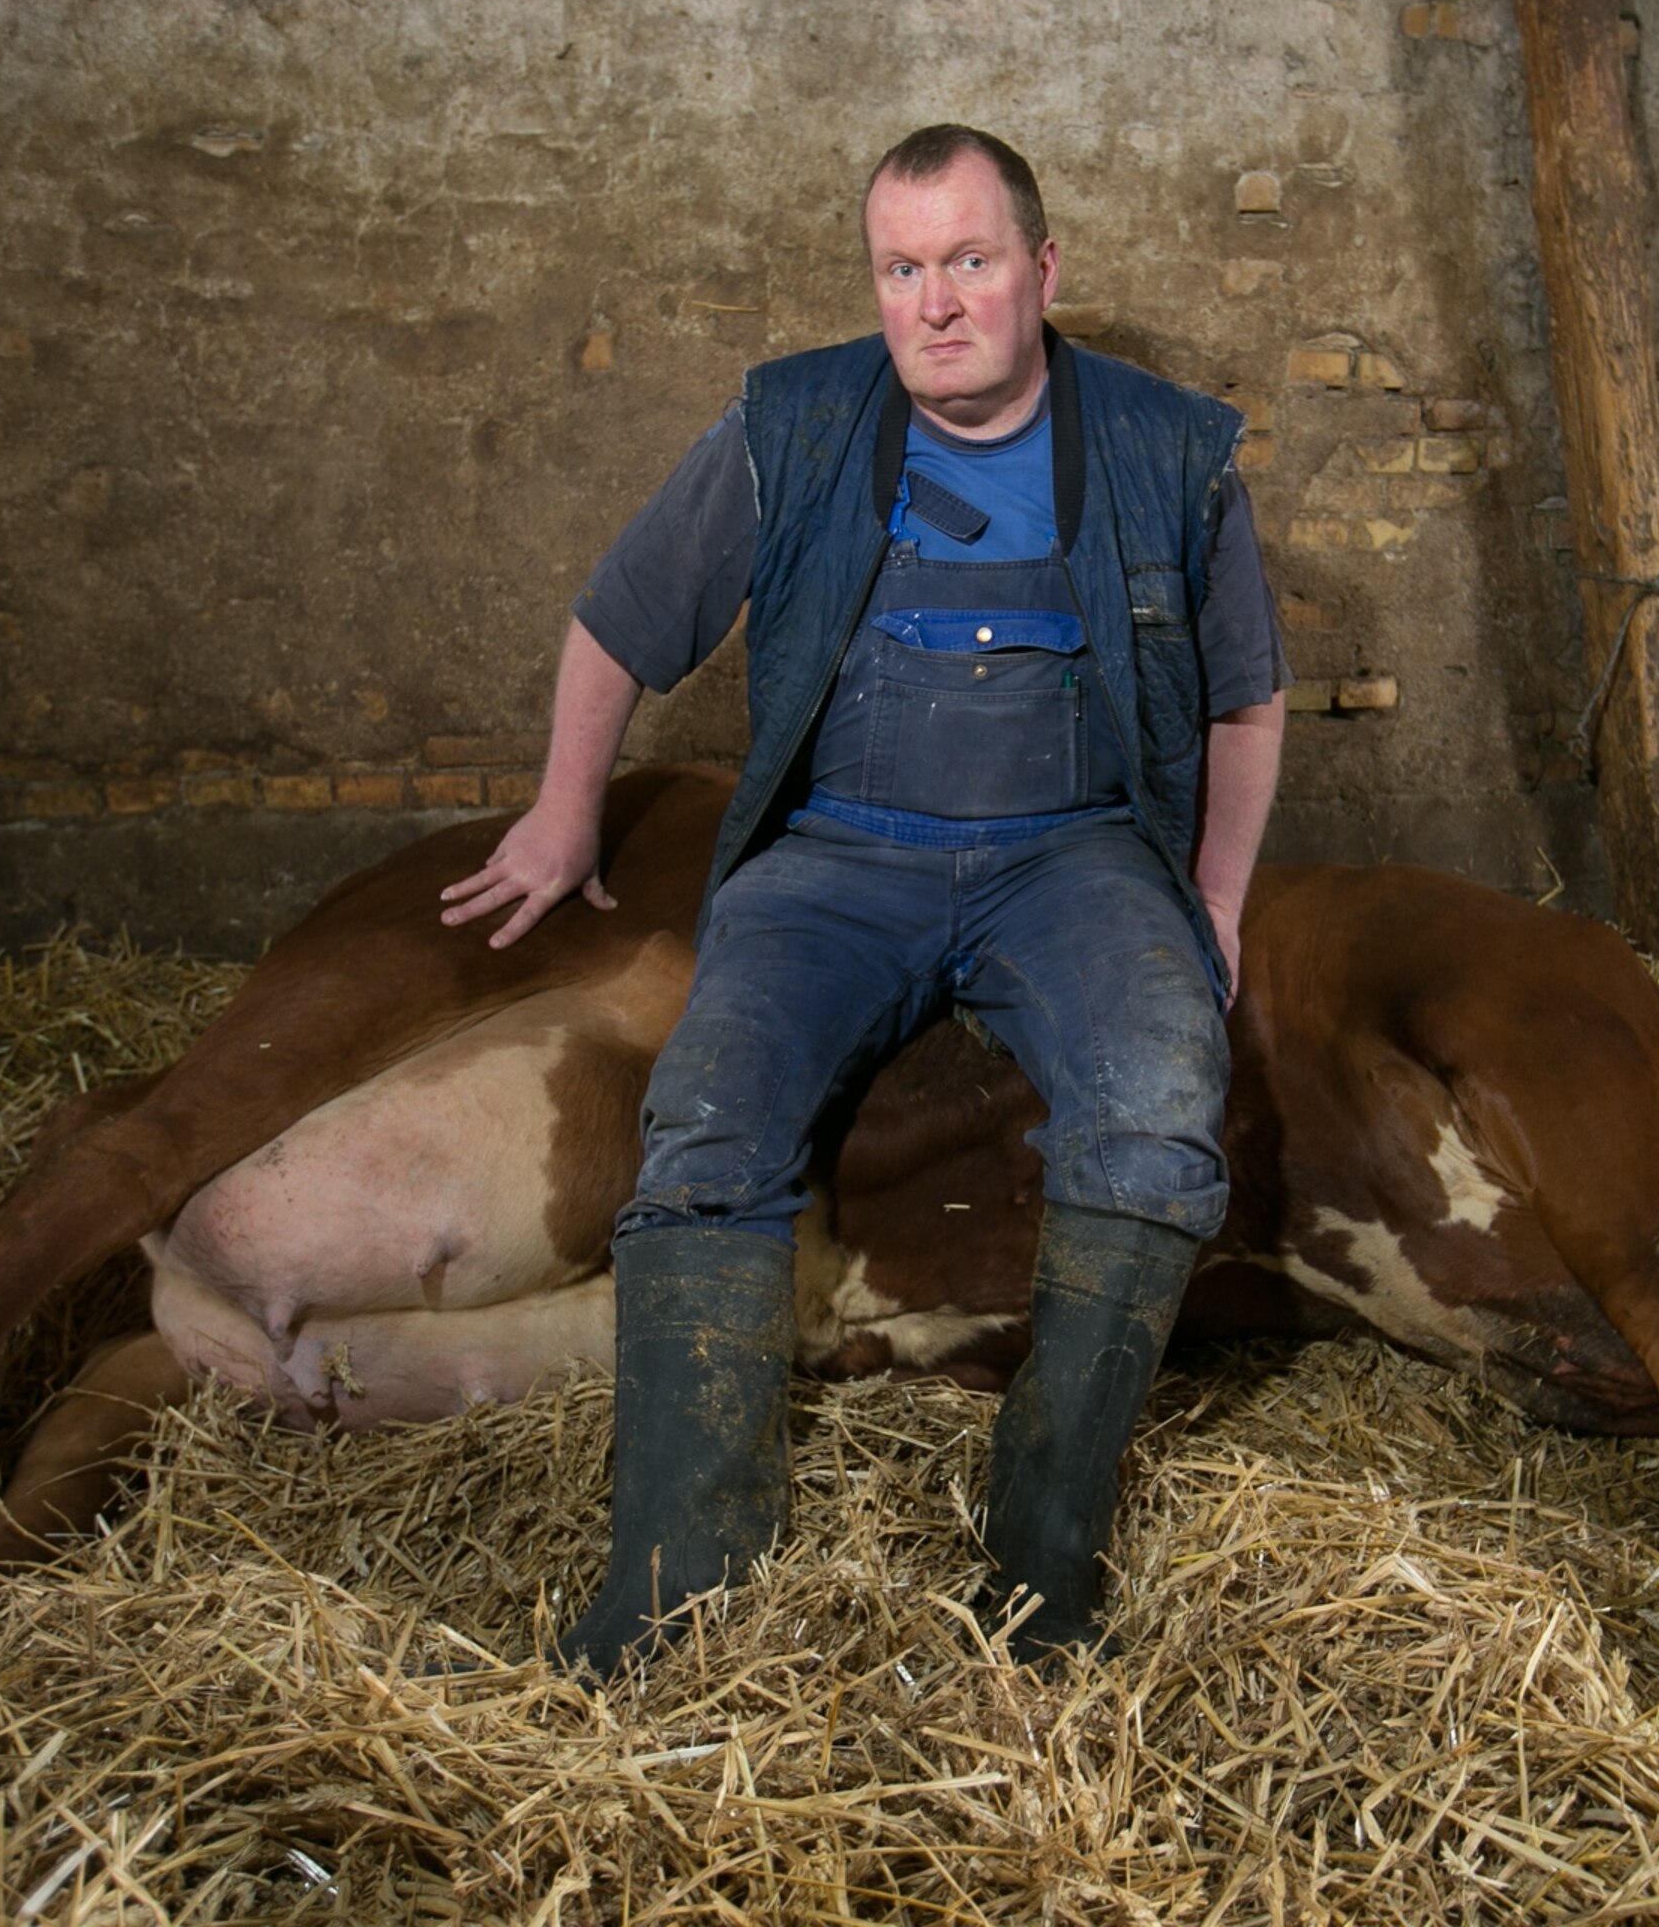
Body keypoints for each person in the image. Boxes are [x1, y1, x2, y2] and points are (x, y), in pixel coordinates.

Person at [440, 125, 1288, 1669]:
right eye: (901, 269)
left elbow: (1245, 698)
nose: (934, 304)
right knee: (707, 1123)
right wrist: (563, 818)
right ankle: (679, 1584)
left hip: (1075, 855)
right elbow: (618, 623)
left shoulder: (1171, 448)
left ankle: (1043, 1568)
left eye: (968, 261)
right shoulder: (794, 423)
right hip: (838, 856)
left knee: (1165, 1114)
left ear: (1042, 268)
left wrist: (1215, 896)